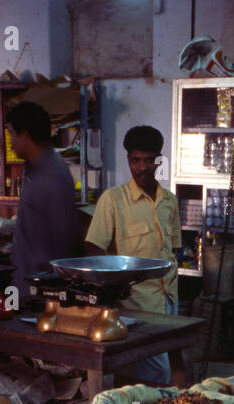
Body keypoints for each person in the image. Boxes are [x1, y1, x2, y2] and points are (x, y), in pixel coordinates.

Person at [85, 125, 182, 385]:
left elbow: (173, 250)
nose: (142, 167)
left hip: (169, 297)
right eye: (135, 160)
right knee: (156, 370)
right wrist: (110, 292)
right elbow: (94, 248)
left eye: (149, 160)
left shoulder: (170, 201)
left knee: (174, 360)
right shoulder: (113, 200)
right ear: (128, 160)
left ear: (159, 161)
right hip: (136, 302)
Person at [7, 101, 81, 297]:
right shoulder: (35, 168)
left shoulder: (51, 174)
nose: (11, 142)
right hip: (28, 281)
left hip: (42, 288)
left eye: (12, 135)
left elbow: (63, 238)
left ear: (25, 135)